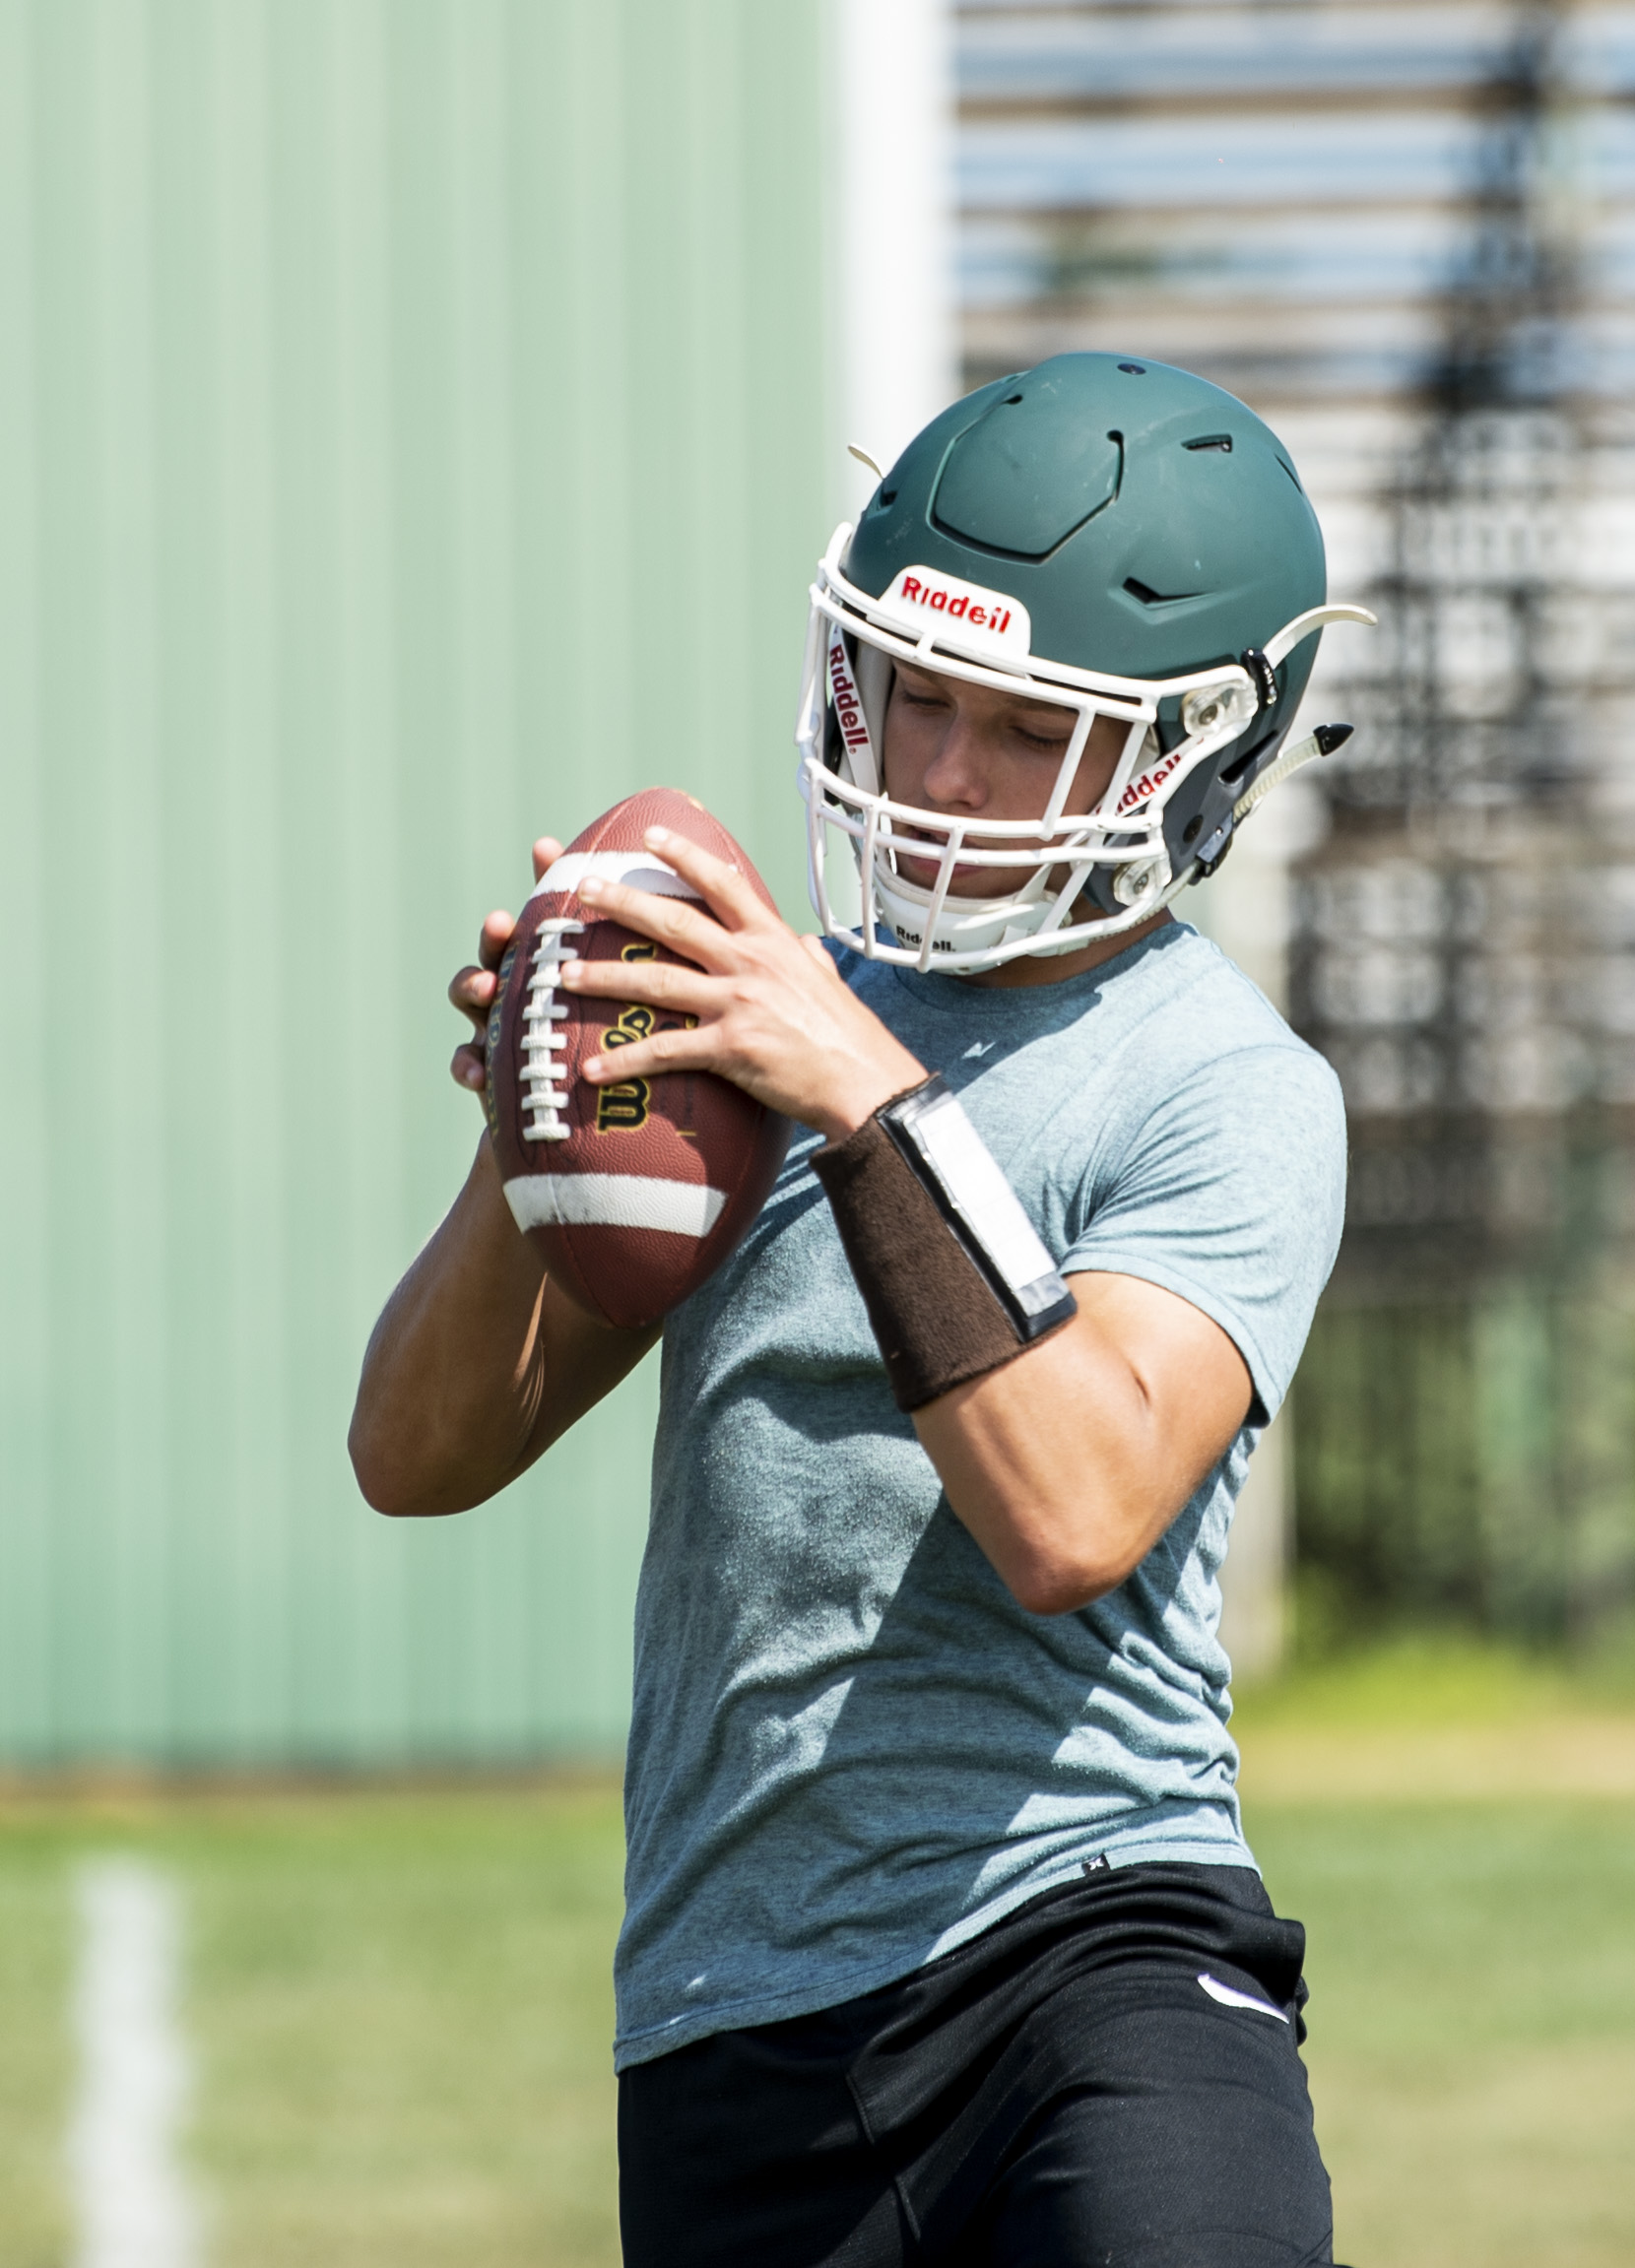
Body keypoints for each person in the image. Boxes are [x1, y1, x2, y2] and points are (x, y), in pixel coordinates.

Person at [351, 353, 1367, 2267]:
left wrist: (865, 1096)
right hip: (735, 2017)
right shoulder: (753, 1022)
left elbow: (1073, 1517)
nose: (943, 772)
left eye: (1024, 725)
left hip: (1094, 1966)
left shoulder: (1225, 1085)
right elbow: (414, 1455)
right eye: (916, 697)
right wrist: (531, 1138)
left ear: (1190, 759)